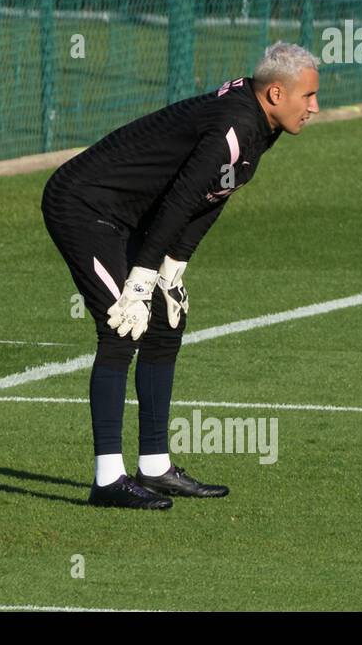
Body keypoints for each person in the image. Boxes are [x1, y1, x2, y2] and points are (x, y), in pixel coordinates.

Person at [42, 42, 320, 509]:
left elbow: (212, 196)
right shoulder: (233, 125)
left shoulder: (262, 125)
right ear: (275, 94)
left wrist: (172, 270)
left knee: (167, 322)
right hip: (83, 206)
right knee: (122, 326)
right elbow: (180, 201)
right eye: (308, 96)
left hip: (132, 216)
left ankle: (154, 467)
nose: (315, 107)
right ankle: (107, 480)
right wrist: (140, 280)